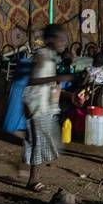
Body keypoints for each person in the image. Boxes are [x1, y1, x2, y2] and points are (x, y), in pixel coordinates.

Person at [23, 24, 73, 192]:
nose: (64, 43)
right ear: (50, 40)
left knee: (38, 141)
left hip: (43, 105)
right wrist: (58, 77)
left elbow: (48, 80)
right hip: (37, 105)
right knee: (40, 142)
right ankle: (33, 180)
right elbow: (32, 81)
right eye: (61, 40)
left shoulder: (50, 56)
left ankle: (30, 175)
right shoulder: (42, 56)